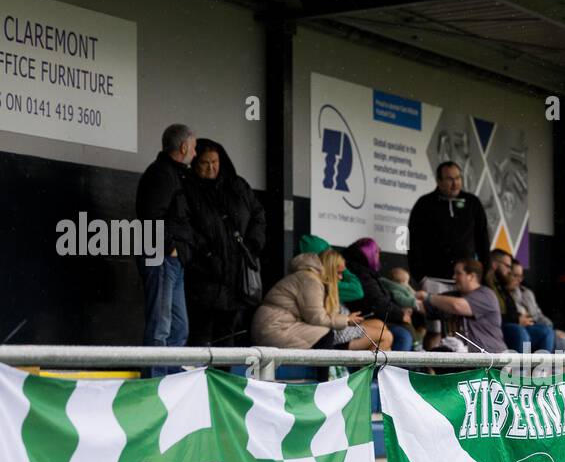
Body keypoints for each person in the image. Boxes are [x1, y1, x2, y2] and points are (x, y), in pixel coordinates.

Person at [183, 137, 265, 350]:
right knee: (200, 333)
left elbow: (258, 214)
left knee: (227, 335)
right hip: (205, 275)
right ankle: (198, 381)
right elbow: (186, 225)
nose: (211, 168)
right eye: (205, 163)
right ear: (194, 163)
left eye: (215, 162)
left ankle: (222, 381)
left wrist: (254, 244)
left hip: (235, 276)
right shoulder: (188, 189)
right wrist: (206, 254)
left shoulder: (238, 186)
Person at [135, 123, 197, 375]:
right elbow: (150, 216)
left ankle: (169, 387)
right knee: (160, 329)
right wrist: (170, 248)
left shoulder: (173, 174)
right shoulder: (161, 174)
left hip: (172, 261)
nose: (195, 153)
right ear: (183, 147)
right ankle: (154, 390)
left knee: (178, 329)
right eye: (193, 148)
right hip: (160, 259)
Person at [251, 247, 391, 354]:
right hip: (277, 329)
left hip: (290, 326)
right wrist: (346, 320)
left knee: (380, 326)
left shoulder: (316, 279)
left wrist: (346, 319)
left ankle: (362, 378)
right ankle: (344, 380)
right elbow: (316, 317)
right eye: (339, 272)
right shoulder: (311, 280)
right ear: (329, 270)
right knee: (385, 336)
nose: (341, 278)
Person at [407, 161, 490, 282]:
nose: (455, 184)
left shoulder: (473, 203)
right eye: (449, 179)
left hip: (467, 279)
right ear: (439, 181)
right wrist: (419, 276)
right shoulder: (424, 204)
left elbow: (483, 240)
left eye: (458, 178)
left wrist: (483, 273)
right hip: (433, 278)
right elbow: (412, 240)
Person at [417, 259, 507, 354]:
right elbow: (422, 307)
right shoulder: (449, 297)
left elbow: (457, 306)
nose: (454, 277)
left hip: (488, 358)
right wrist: (407, 295)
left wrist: (427, 296)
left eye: (458, 273)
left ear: (471, 276)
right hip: (456, 358)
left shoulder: (486, 295)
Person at [341, 237, 414, 352]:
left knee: (387, 330)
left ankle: (384, 369)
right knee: (401, 336)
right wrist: (400, 315)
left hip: (364, 319)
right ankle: (392, 369)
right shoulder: (360, 273)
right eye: (377, 252)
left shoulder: (362, 271)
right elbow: (377, 303)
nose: (379, 255)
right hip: (354, 321)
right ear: (370, 254)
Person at [505, 260, 560, 352]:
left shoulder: (527, 292)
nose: (519, 280)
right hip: (516, 327)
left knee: (554, 334)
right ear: (508, 274)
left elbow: (538, 314)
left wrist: (550, 326)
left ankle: (543, 366)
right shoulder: (504, 292)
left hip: (532, 325)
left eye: (520, 276)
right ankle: (524, 366)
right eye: (515, 275)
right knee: (525, 333)